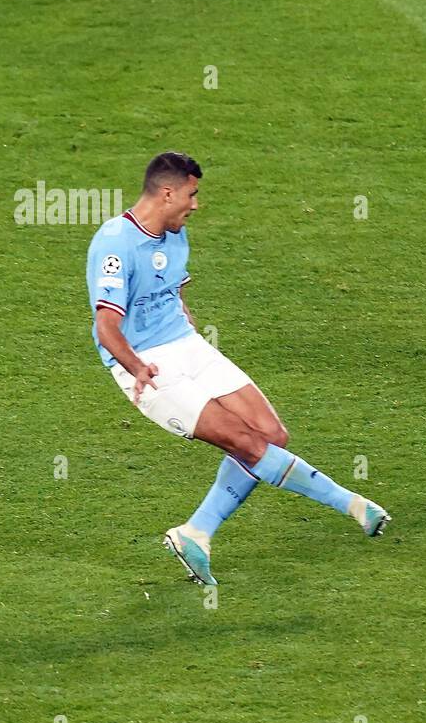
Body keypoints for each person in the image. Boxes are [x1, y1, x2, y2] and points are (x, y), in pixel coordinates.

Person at [86, 151, 390, 585]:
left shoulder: (174, 233)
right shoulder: (115, 242)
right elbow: (106, 325)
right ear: (167, 192)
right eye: (191, 195)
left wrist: (186, 320)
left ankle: (195, 533)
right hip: (146, 365)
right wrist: (136, 367)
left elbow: (172, 287)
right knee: (249, 445)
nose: (195, 204)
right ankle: (351, 504)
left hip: (187, 346)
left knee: (271, 435)